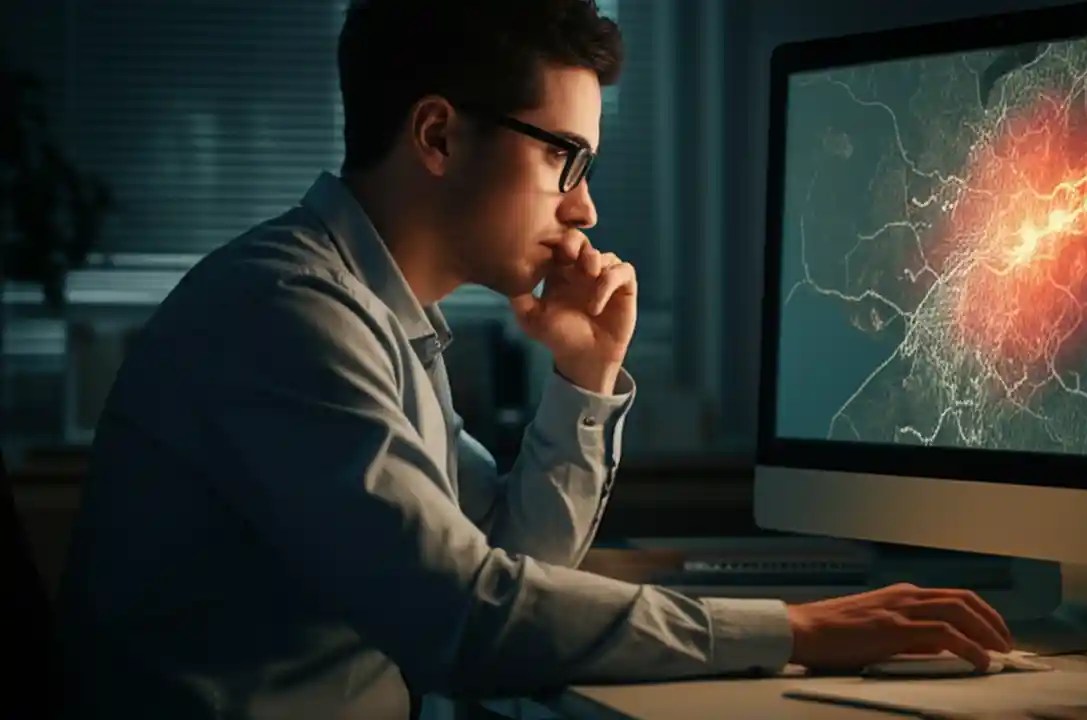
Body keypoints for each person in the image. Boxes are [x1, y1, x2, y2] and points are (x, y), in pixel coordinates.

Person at [54, 0, 1014, 717]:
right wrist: (796, 630)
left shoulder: (383, 317)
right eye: (566, 159)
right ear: (436, 134)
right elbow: (464, 620)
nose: (585, 208)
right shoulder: (287, 312)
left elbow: (506, 565)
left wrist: (584, 378)